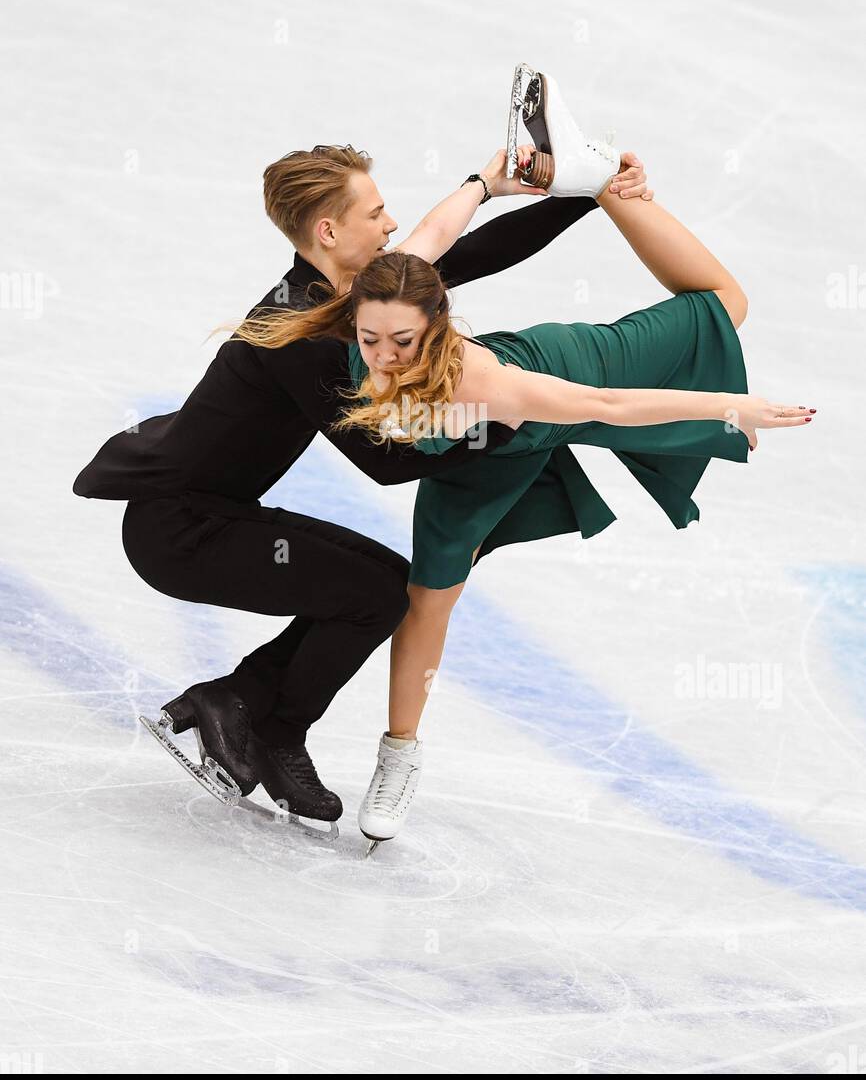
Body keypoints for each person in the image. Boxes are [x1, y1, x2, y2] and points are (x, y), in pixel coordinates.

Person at [229, 88, 816, 848]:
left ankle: (604, 177)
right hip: (479, 459)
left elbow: (606, 405)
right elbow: (437, 233)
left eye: (400, 342)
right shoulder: (374, 307)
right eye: (370, 340)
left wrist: (725, 410)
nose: (382, 357)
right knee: (429, 595)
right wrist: (483, 180)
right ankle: (398, 755)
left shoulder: (488, 379)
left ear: (435, 325)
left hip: (557, 386)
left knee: (725, 306)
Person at [72, 138, 652, 825]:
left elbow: (471, 256)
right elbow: (385, 461)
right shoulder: (299, 329)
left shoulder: (354, 290)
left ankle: (239, 705)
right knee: (376, 592)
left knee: (379, 588)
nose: (389, 224)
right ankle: (269, 724)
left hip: (210, 514)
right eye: (375, 213)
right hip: (181, 530)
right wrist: (503, 419)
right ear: (328, 231)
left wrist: (587, 195)